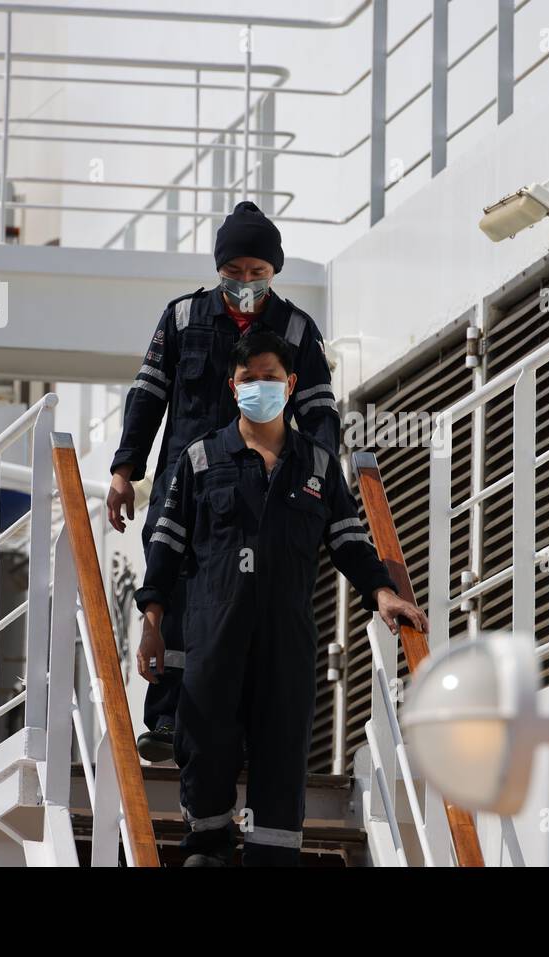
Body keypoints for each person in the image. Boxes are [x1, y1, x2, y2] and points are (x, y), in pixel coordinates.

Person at [134, 331, 427, 866]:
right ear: (232, 384)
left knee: (281, 756)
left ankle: (272, 857)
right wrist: (152, 621)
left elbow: (349, 539)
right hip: (213, 638)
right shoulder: (200, 460)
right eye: (249, 379)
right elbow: (168, 547)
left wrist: (382, 593)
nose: (259, 387)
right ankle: (208, 848)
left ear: (291, 385)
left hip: (285, 643)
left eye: (270, 378)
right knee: (204, 747)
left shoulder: (315, 465)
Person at [108, 201, 339, 761]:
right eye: (234, 272)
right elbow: (148, 396)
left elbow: (318, 408)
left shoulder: (294, 329)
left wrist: (321, 474)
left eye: (258, 273)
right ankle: (165, 723)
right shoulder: (183, 318)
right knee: (173, 595)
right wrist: (123, 470)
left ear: (274, 272)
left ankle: (231, 728)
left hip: (259, 490)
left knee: (241, 603)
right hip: (181, 487)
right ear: (220, 270)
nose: (245, 283)